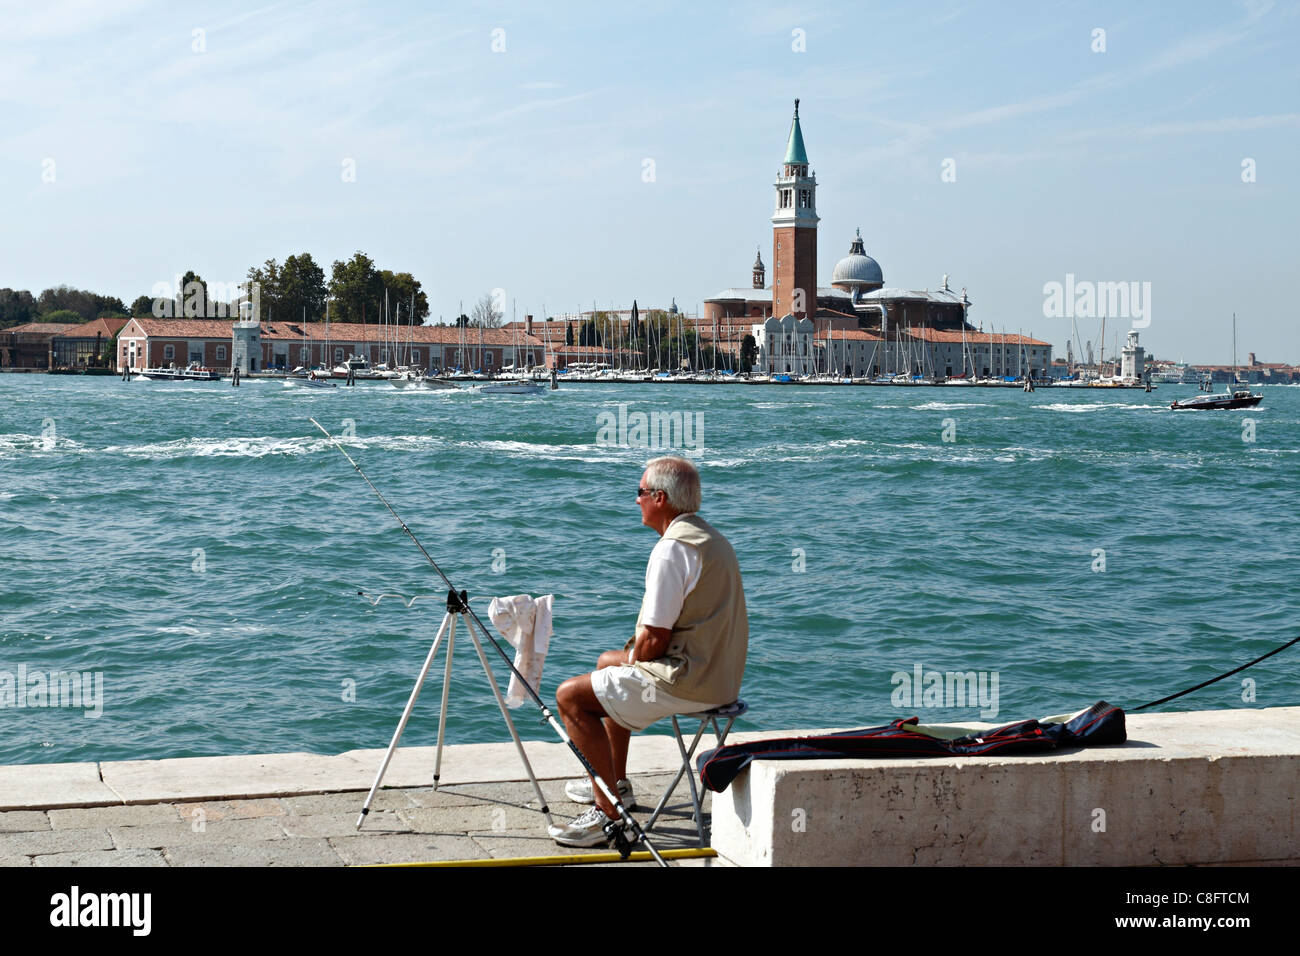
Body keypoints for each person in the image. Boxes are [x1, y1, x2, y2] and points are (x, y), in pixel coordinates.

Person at [550, 456, 748, 847]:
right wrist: (624, 661)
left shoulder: (671, 550)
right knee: (606, 665)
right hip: (720, 679)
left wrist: (634, 658)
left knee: (570, 696)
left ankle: (607, 815)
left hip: (688, 681)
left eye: (640, 493)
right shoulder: (712, 539)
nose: (636, 500)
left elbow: (654, 640)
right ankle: (616, 783)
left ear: (660, 497)